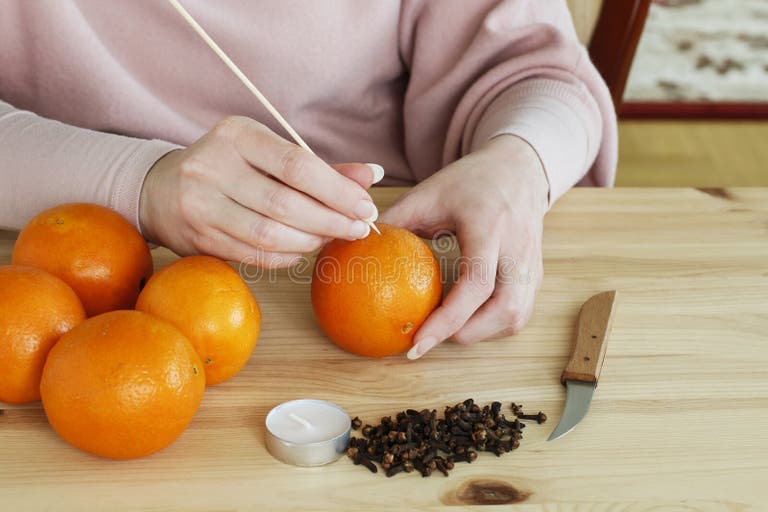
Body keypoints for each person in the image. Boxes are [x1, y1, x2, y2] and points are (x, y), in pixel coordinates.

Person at [0, 0, 617, 359]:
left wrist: (516, 163)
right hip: (72, 293)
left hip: (401, 266)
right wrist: (139, 182)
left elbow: (537, 75)